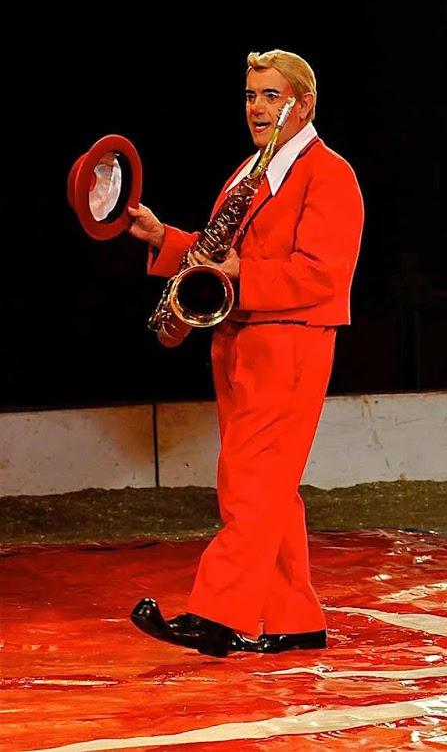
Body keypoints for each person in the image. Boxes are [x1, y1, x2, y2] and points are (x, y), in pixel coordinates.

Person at [125, 49, 365, 657]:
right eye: (251, 96)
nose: (257, 108)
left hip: (289, 342)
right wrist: (164, 238)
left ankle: (216, 615)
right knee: (266, 485)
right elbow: (218, 251)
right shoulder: (250, 171)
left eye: (271, 96)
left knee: (252, 485)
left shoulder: (328, 174)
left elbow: (323, 274)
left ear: (304, 104)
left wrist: (242, 273)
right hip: (241, 341)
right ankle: (295, 619)